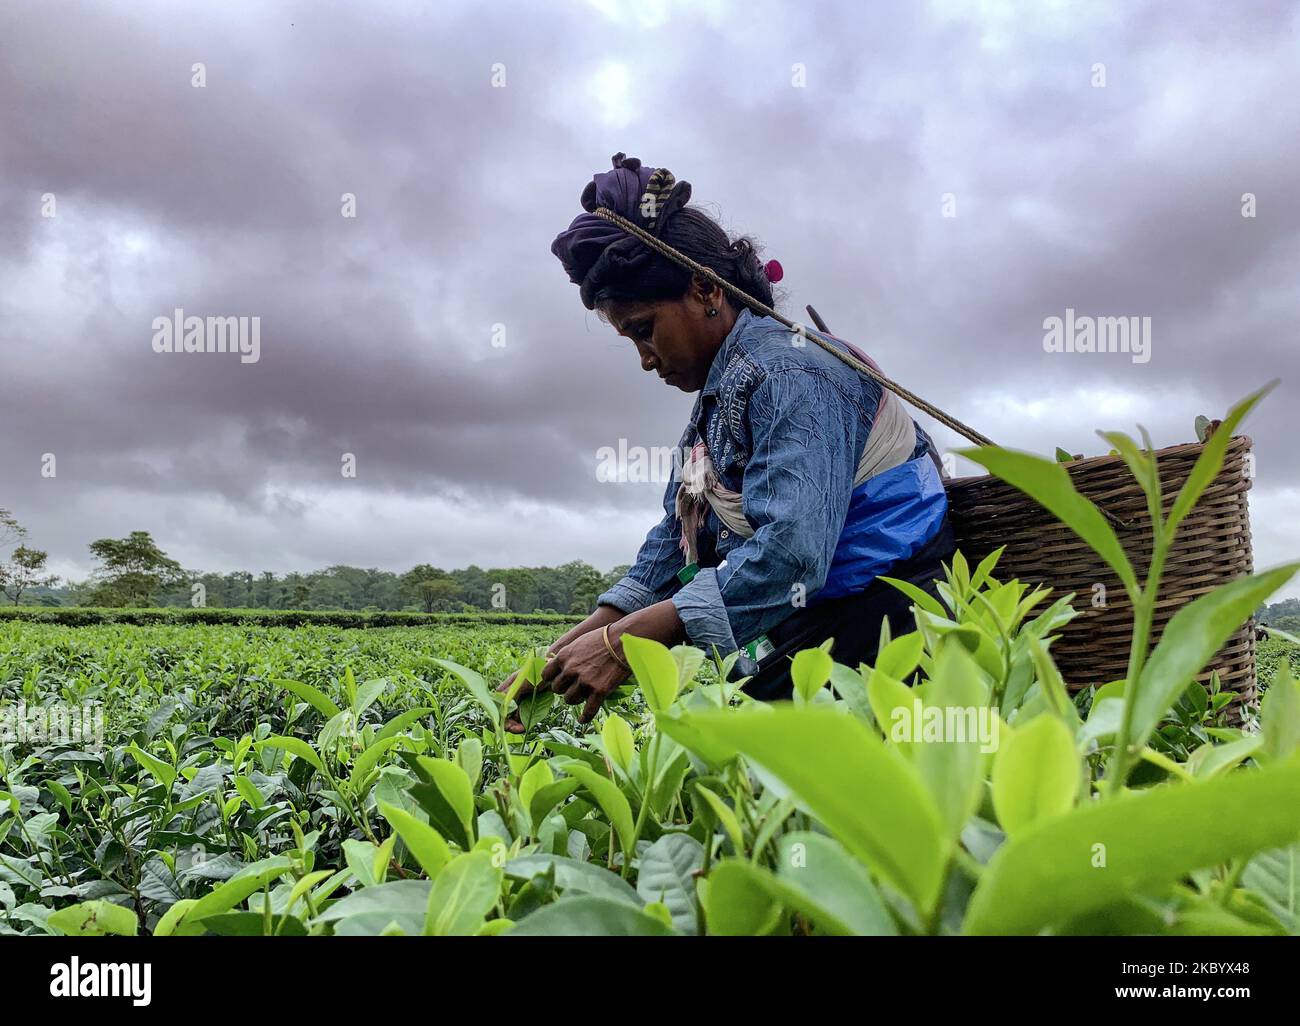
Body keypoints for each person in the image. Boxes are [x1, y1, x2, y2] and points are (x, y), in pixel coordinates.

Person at [500, 152, 954, 729]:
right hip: (817, 628)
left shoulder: (791, 375)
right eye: (629, 340)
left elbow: (791, 555)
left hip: (889, 630)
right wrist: (559, 655)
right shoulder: (714, 410)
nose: (644, 359)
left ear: (704, 290)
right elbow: (670, 546)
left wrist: (621, 646)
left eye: (645, 329)